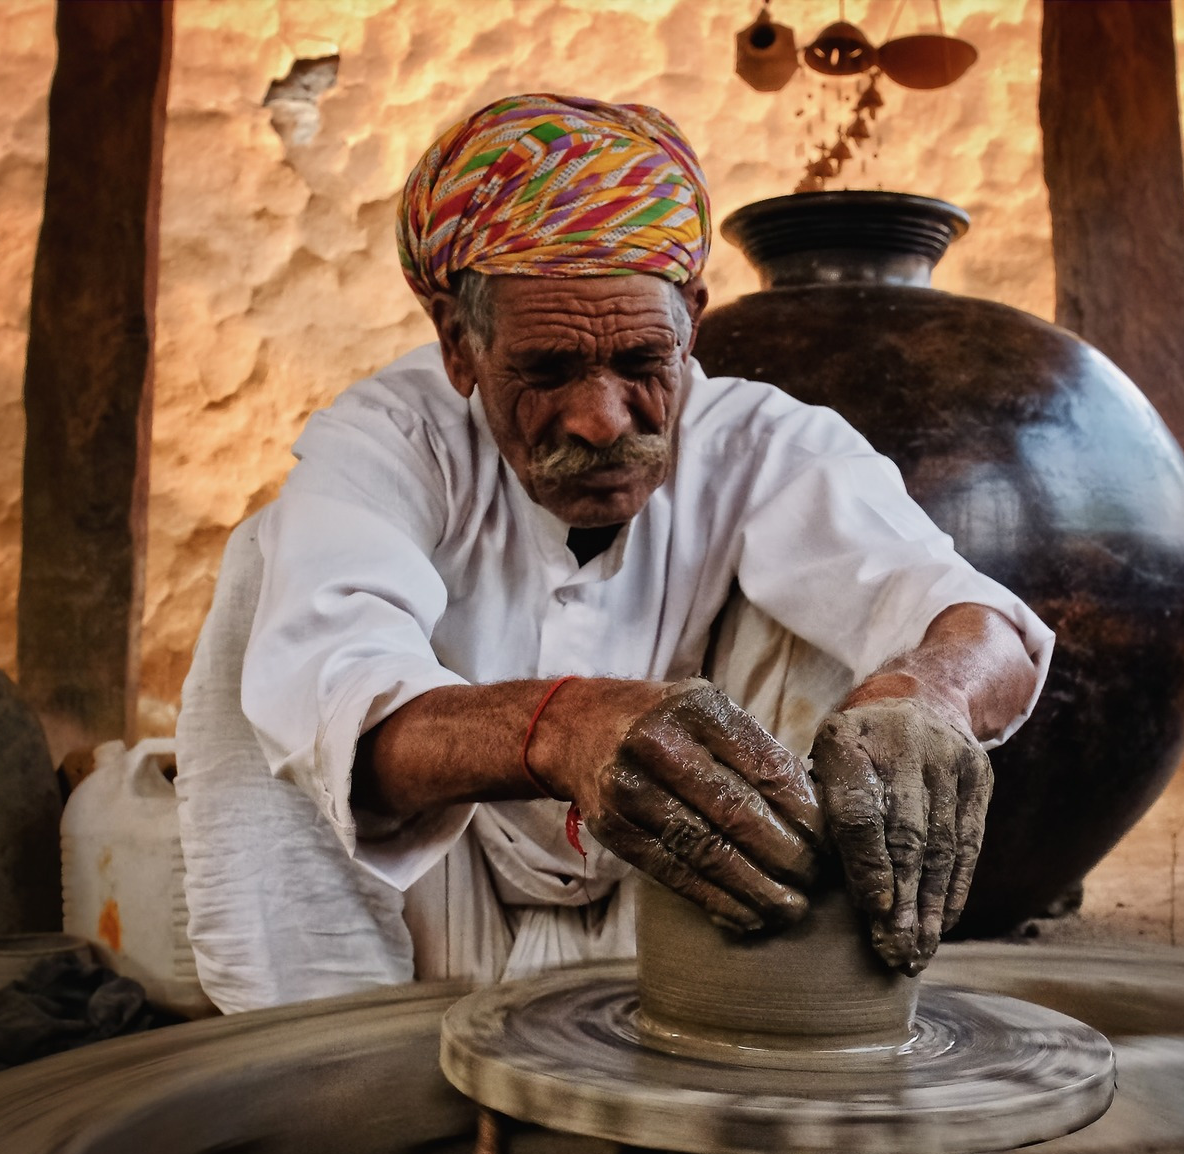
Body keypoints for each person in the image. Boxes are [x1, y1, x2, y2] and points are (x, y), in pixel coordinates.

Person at [176, 92, 1052, 1030]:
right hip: (437, 923)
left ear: (693, 324)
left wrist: (930, 695)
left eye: (640, 362)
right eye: (548, 370)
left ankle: (786, 1032)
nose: (601, 419)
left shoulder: (760, 441)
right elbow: (334, 674)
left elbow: (977, 620)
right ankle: (327, 1065)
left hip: (688, 907)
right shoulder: (391, 441)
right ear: (459, 343)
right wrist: (561, 724)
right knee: (269, 580)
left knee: (882, 656)